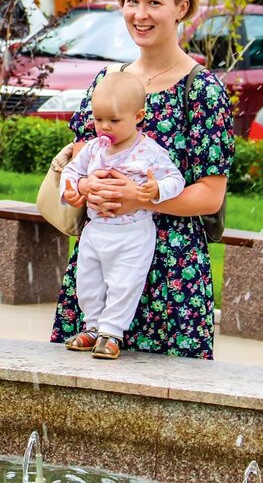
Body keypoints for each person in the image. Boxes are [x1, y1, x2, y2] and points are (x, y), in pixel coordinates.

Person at [50, 0, 234, 360]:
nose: (140, 14)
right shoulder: (108, 81)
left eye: (154, 2)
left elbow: (210, 196)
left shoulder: (202, 92)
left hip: (171, 276)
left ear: (181, 8)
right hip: (101, 259)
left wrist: (141, 197)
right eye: (132, 1)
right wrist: (84, 185)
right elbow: (83, 159)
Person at [58, 71, 185, 360]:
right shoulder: (93, 148)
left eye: (114, 121)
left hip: (132, 233)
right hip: (96, 229)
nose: (104, 127)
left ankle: (111, 332)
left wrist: (155, 190)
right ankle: (92, 326)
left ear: (138, 116)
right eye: (98, 119)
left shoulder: (149, 152)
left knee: (124, 283)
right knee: (87, 280)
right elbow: (71, 171)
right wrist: (78, 187)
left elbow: (175, 180)